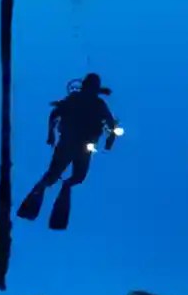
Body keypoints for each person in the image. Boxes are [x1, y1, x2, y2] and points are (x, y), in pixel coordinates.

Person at [17, 73, 122, 230]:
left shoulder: (97, 104)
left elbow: (111, 125)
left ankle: (56, 192)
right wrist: (50, 134)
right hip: (70, 144)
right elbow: (55, 114)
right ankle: (38, 200)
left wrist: (110, 140)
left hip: (80, 146)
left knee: (74, 177)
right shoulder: (79, 101)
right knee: (57, 176)